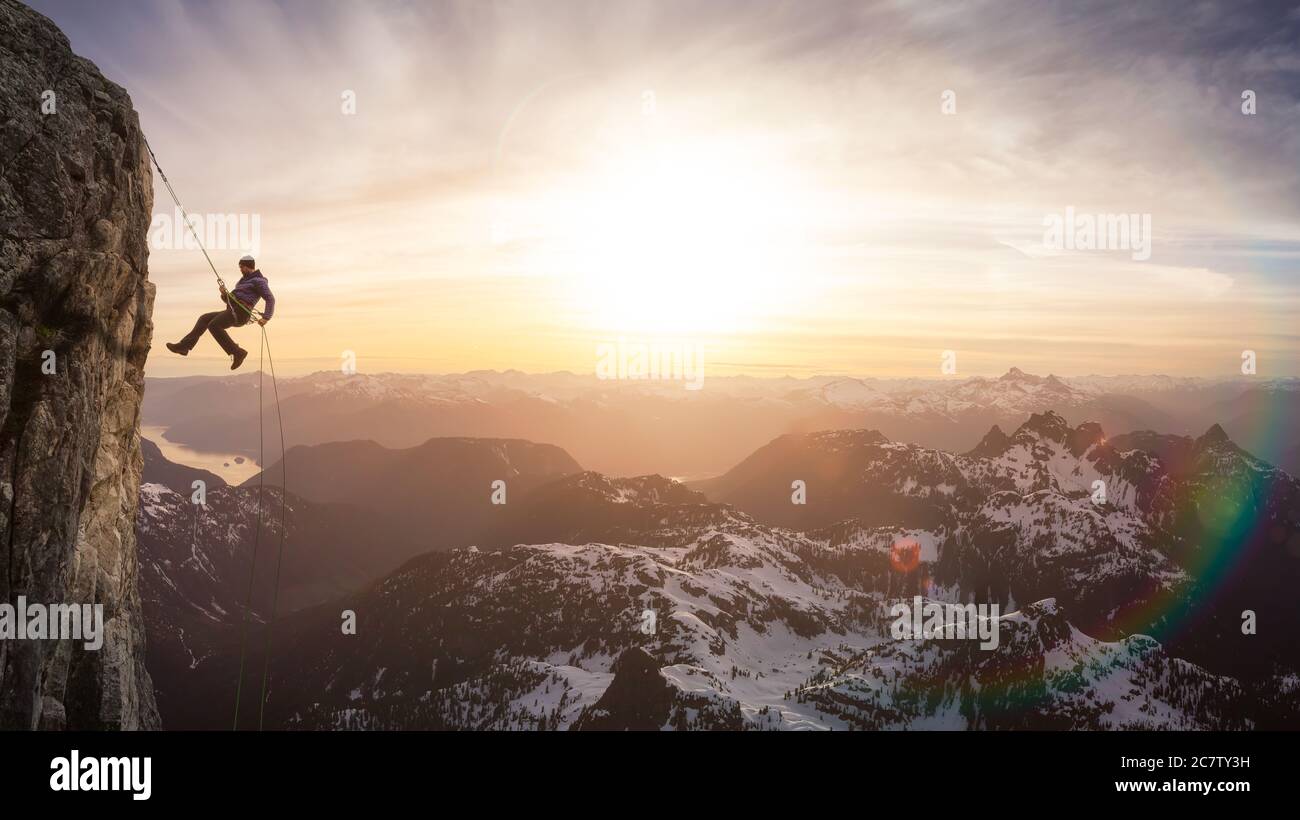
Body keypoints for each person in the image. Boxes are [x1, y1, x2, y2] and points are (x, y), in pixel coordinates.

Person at [166, 255, 275, 370]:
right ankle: (184, 346)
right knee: (204, 318)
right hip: (234, 310)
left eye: (241, 267)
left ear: (248, 266)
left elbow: (270, 298)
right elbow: (230, 301)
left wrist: (266, 317)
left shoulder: (259, 281)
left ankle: (237, 352)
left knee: (214, 325)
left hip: (241, 313)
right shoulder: (243, 281)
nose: (240, 270)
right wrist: (224, 294)